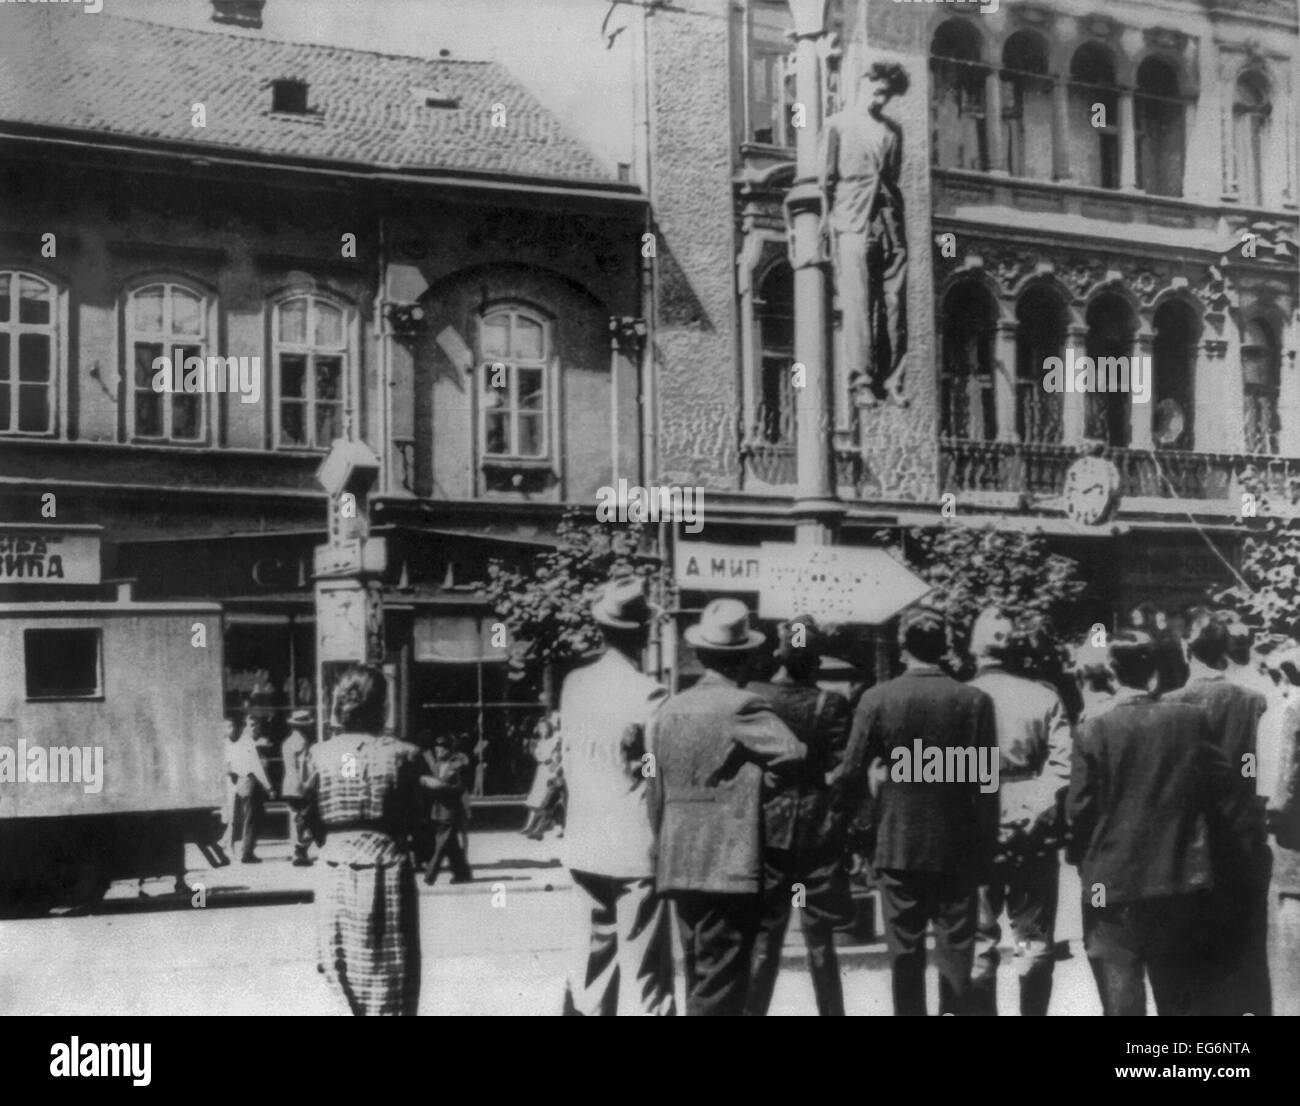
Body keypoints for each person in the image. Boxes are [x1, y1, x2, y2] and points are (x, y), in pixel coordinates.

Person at [1067, 631, 1252, 1016]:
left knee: (1118, 988)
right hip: (1179, 878)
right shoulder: (1189, 720)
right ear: (1152, 670)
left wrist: (1080, 858)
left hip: (1106, 884)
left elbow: (1079, 810)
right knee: (1178, 993)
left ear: (1112, 672)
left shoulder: (1092, 728)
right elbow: (1223, 780)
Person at [834, 606, 999, 1016]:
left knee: (904, 954)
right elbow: (987, 784)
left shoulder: (877, 699)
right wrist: (985, 846)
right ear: (945, 647)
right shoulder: (974, 701)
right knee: (956, 951)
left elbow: (850, 774)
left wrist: (855, 835)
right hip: (956, 847)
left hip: (897, 844)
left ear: (902, 647)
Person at [646, 598, 805, 1016]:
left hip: (677, 857)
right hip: (727, 860)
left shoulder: (667, 710)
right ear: (744, 657)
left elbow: (653, 787)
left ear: (700, 654)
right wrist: (760, 783)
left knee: (698, 967)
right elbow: (793, 754)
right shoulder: (743, 705)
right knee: (721, 979)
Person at [559, 576, 676, 1016]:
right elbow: (659, 773)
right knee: (648, 972)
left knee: (592, 969)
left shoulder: (574, 684)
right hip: (633, 845)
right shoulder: (649, 694)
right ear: (644, 632)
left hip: (585, 838)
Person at [744, 614, 853, 1017]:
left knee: (765, 939)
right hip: (816, 836)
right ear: (817, 660)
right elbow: (844, 772)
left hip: (767, 834)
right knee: (819, 938)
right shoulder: (833, 704)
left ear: (779, 654)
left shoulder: (755, 698)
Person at [301, 665, 425, 1016]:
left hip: (335, 869)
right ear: (381, 705)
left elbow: (307, 814)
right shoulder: (405, 755)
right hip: (388, 867)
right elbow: (416, 818)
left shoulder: (319, 754)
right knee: (391, 971)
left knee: (341, 966)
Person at [1164, 611, 1271, 1015]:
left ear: (1184, 648)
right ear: (1226, 648)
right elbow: (1252, 768)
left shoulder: (1172, 706)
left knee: (1198, 957)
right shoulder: (1253, 702)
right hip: (1243, 838)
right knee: (1247, 949)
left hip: (1192, 844)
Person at [967, 609, 1072, 1017]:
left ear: (975, 651)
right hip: (1034, 827)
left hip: (977, 822)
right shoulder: (1045, 697)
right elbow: (1062, 766)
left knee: (978, 939)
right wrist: (1034, 808)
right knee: (1033, 938)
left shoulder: (963, 697)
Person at [820, 61, 910, 405]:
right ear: (863, 82)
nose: (881, 99)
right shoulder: (837, 126)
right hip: (851, 221)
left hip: (889, 222)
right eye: (878, 90)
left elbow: (892, 175)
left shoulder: (893, 130)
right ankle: (861, 380)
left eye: (887, 94)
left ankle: (893, 382)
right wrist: (830, 228)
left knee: (894, 303)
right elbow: (825, 182)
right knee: (858, 302)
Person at [421, 732, 473, 886]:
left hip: (452, 810)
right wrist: (426, 784)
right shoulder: (436, 765)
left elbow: (460, 787)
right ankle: (462, 873)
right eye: (437, 748)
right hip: (438, 809)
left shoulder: (458, 765)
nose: (439, 751)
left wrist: (442, 787)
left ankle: (430, 874)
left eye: (442, 748)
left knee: (442, 843)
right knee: (451, 845)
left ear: (450, 749)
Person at [222, 713, 273, 864]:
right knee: (250, 819)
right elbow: (256, 766)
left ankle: (236, 846)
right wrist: (268, 786)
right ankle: (246, 852)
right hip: (248, 781)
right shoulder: (247, 741)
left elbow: (228, 765)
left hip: (237, 782)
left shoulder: (229, 743)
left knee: (241, 818)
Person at [280, 709, 316, 867]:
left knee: (297, 818)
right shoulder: (302, 742)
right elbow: (303, 766)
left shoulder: (287, 742)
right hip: (300, 785)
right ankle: (300, 849)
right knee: (307, 818)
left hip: (288, 784)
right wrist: (309, 783)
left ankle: (298, 850)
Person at [521, 713, 564, 840]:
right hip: (541, 770)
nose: (543, 731)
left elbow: (557, 757)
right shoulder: (540, 742)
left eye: (545, 728)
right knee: (537, 799)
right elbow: (537, 755)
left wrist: (553, 768)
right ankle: (531, 826)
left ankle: (546, 828)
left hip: (549, 770)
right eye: (541, 729)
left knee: (548, 800)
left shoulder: (555, 740)